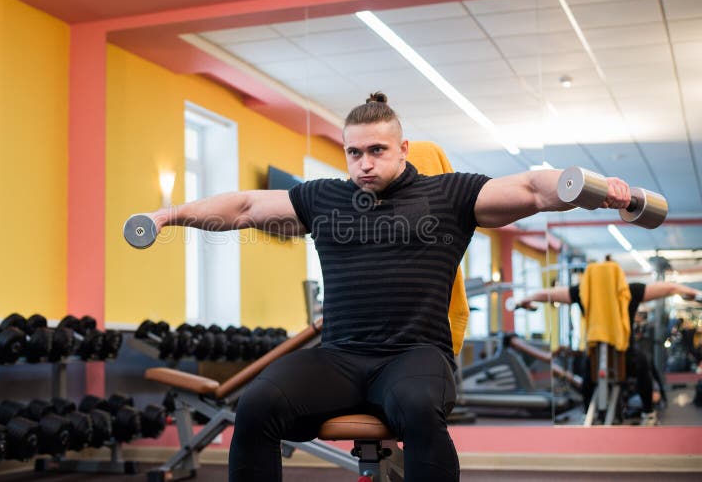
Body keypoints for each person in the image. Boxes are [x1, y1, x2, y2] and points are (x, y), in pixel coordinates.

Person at [137, 92, 633, 481]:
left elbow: (529, 188)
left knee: (418, 407)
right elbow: (245, 207)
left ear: (403, 149)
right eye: (354, 153)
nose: (365, 164)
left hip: (414, 357)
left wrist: (585, 187)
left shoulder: (449, 193)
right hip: (339, 359)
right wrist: (170, 214)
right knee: (256, 405)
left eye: (377, 150)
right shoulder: (323, 198)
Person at [515, 279, 699, 425]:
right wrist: (689, 292)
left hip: (600, 359)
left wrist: (527, 299)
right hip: (625, 357)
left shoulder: (585, 291)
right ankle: (648, 412)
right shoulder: (627, 290)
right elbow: (669, 288)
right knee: (641, 362)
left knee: (593, 365)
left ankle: (589, 411)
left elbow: (547, 294)